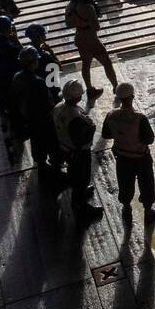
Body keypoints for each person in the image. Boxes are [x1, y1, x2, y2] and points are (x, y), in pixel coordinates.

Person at [102, 83, 155, 225]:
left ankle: (126, 209)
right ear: (132, 97)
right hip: (141, 158)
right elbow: (149, 139)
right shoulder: (140, 118)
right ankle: (148, 211)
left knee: (125, 183)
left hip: (122, 158)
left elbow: (106, 134)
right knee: (146, 184)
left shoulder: (111, 115)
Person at [52, 80, 105, 222]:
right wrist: (91, 127)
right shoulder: (76, 116)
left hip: (64, 147)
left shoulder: (58, 107)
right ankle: (81, 205)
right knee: (82, 177)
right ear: (78, 97)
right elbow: (81, 139)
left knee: (73, 173)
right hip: (78, 152)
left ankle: (79, 191)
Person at [64, 0, 118, 99]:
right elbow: (96, 26)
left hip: (79, 36)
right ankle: (116, 87)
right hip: (91, 39)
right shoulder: (87, 6)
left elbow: (68, 23)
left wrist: (80, 23)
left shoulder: (70, 5)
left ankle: (89, 89)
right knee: (107, 63)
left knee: (86, 64)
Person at [12, 45, 58, 176]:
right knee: (50, 142)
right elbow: (48, 103)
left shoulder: (17, 77)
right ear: (33, 62)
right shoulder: (38, 82)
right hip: (42, 118)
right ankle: (55, 171)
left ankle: (41, 164)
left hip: (27, 117)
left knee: (36, 141)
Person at [0, 15, 23, 137]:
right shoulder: (8, 46)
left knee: (2, 104)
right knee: (13, 106)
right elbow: (22, 54)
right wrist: (16, 41)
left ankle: (4, 124)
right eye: (10, 26)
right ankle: (16, 132)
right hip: (10, 80)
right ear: (6, 29)